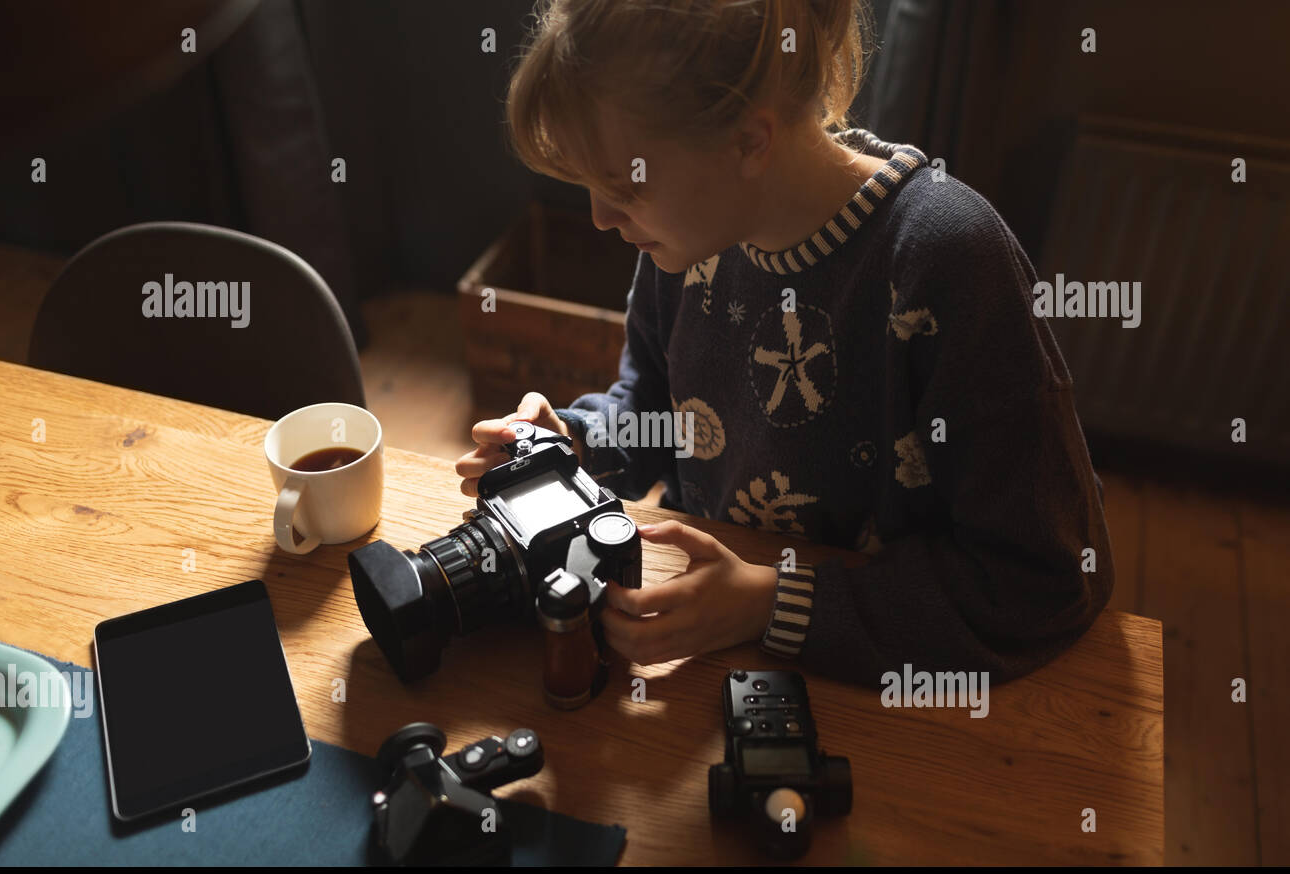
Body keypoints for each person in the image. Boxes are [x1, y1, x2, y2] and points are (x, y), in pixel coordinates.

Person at [455, 0, 1115, 686]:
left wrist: (772, 604)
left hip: (878, 690)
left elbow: (1044, 579)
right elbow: (658, 404)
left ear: (748, 141)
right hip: (713, 657)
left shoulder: (947, 261)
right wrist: (572, 447)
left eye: (623, 186)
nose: (599, 217)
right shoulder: (688, 237)